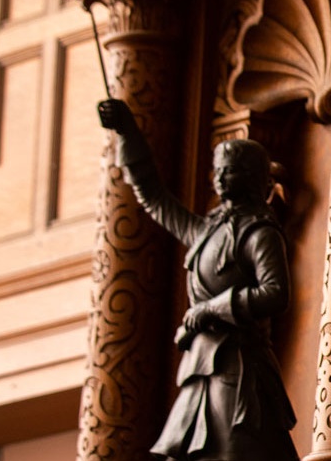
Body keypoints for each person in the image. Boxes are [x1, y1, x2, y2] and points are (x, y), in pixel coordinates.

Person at [97, 99, 300, 461]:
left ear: (253, 177)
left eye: (231, 171)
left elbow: (275, 293)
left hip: (239, 368)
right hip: (202, 365)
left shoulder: (259, 232)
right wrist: (127, 132)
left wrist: (211, 308)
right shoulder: (207, 230)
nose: (221, 178)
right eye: (218, 170)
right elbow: (154, 198)